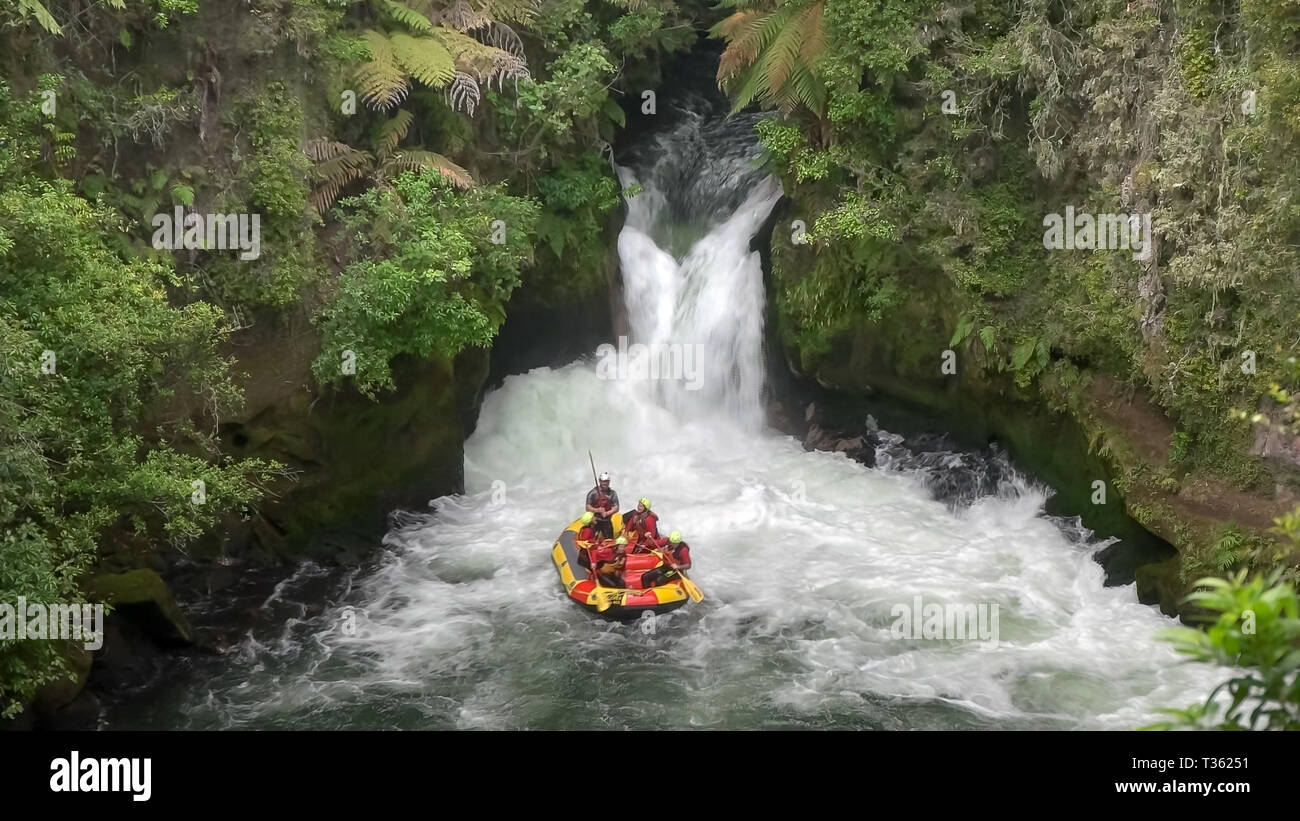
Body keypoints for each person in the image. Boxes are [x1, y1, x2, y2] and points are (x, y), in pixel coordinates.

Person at [586, 472, 619, 540]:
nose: (605, 483)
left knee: (609, 540)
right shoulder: (593, 493)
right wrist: (597, 510)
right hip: (595, 521)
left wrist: (607, 513)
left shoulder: (612, 493)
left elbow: (616, 507)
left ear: (609, 482)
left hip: (607, 520)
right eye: (603, 481)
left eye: (607, 481)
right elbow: (587, 507)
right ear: (600, 481)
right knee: (593, 539)